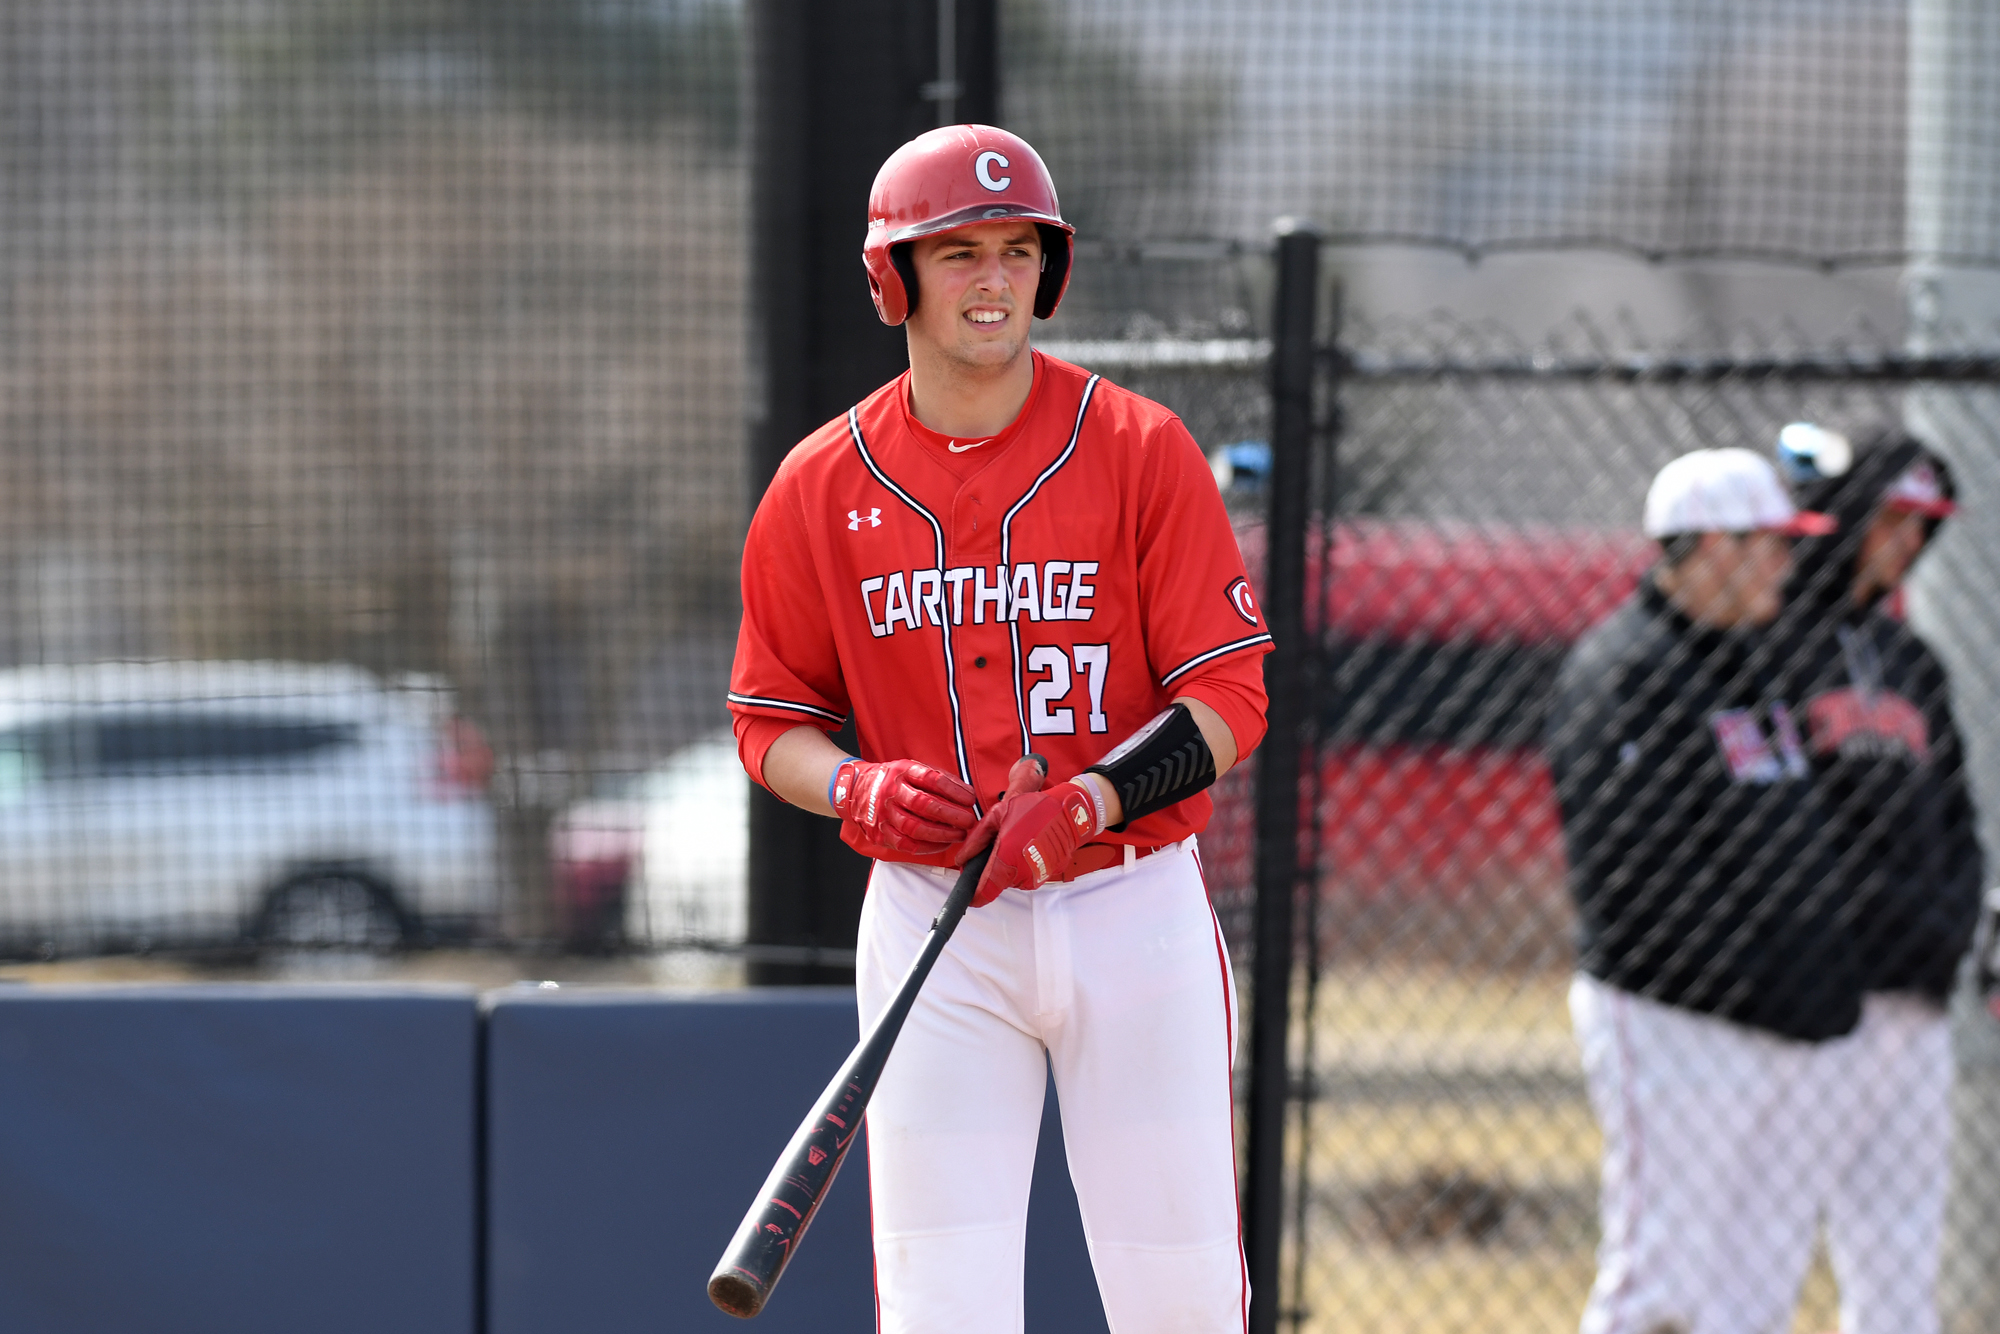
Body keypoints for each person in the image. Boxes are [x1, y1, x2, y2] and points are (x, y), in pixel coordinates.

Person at [725, 124, 1271, 1332]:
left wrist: (1086, 800)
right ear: (894, 278)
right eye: (957, 251)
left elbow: (1229, 699)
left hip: (1129, 902)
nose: (993, 278)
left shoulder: (1139, 449)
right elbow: (770, 722)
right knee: (941, 1303)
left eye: (1017, 249)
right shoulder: (819, 483)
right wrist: (856, 789)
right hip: (936, 919)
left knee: (1179, 1295)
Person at [1544, 447, 1858, 1334]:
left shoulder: (1746, 660)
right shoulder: (1628, 672)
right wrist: (1762, 980)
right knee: (1661, 1284)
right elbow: (1638, 878)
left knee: (1750, 1294)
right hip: (1673, 1016)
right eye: (1774, 545)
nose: (1788, 566)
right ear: (1716, 546)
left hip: (1773, 1018)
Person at [1717, 424, 1983, 1334]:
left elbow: (1956, 822)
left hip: (1915, 993)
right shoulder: (1775, 646)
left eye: (1921, 526)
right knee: (1768, 1241)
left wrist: (1951, 928)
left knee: (1900, 1244)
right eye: (1890, 520)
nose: (1905, 544)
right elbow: (1772, 821)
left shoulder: (1914, 662)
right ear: (1847, 515)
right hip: (1817, 996)